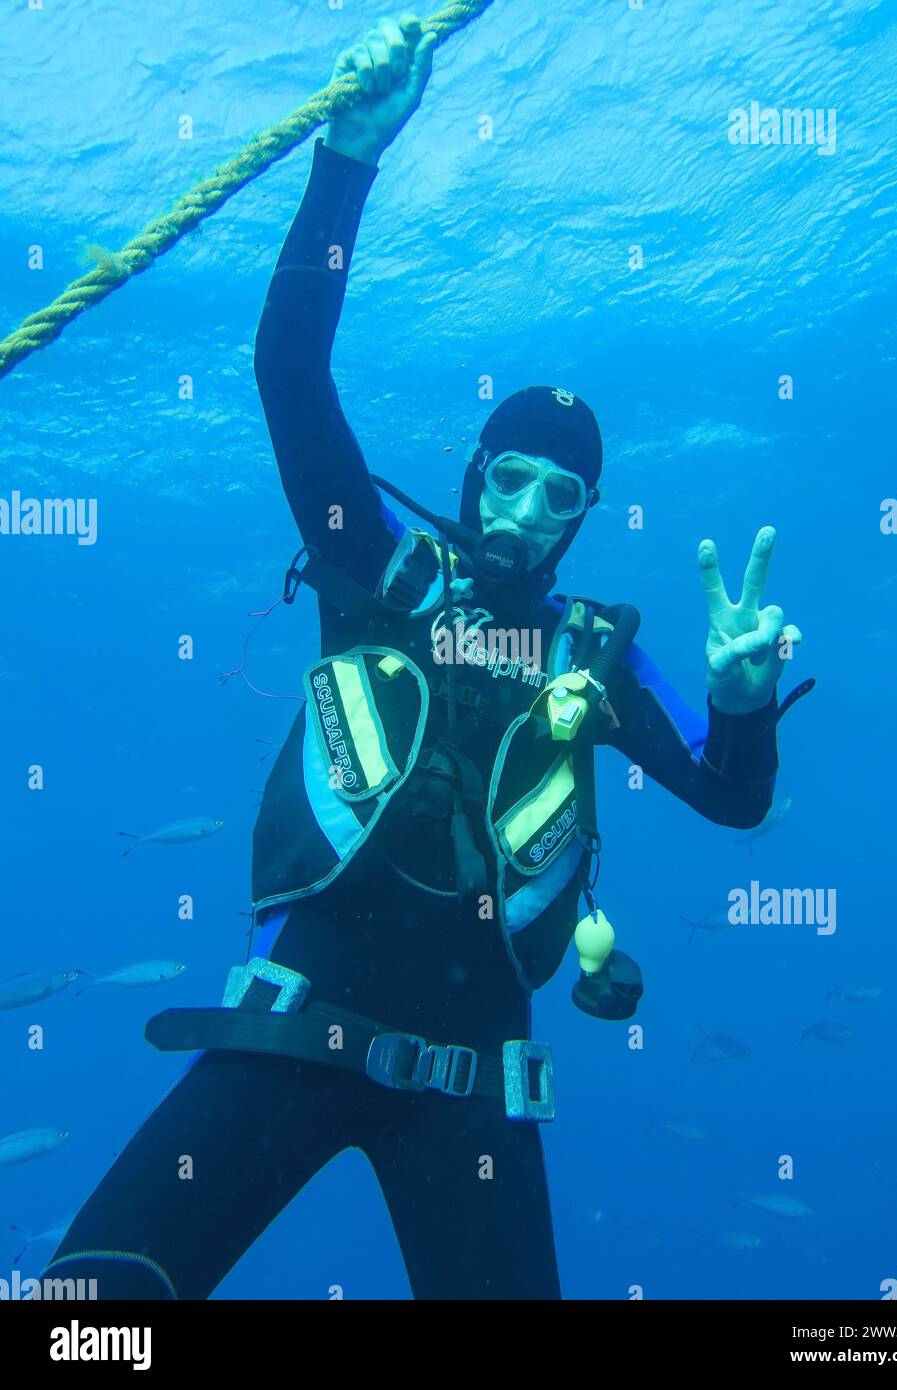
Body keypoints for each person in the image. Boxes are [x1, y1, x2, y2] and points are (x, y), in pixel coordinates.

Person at [46, 14, 806, 1301]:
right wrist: (347, 158)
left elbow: (735, 799)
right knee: (86, 1317)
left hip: (475, 1092)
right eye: (507, 477)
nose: (520, 512)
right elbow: (289, 371)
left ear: (581, 520)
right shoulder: (380, 569)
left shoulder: (599, 656)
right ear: (472, 475)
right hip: (284, 1029)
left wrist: (744, 707)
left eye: (557, 496)